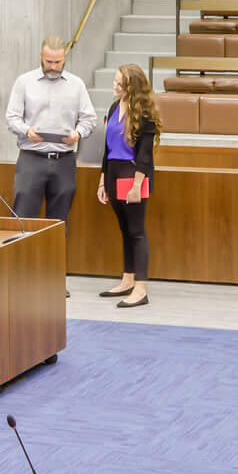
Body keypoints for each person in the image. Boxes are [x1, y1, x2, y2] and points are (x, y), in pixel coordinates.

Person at [4, 36, 92, 224]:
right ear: (41, 57)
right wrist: (27, 131)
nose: (53, 66)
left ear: (64, 59)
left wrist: (78, 133)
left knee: (59, 223)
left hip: (64, 161)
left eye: (58, 62)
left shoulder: (76, 84)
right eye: (49, 62)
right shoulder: (24, 82)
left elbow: (89, 118)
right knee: (23, 220)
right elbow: (12, 117)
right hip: (31, 158)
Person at [96, 65, 159, 308]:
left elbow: (145, 155)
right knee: (124, 230)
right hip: (113, 172)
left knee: (136, 231)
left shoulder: (144, 113)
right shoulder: (114, 107)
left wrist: (137, 185)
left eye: (119, 83)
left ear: (132, 87)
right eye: (114, 81)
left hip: (133, 175)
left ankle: (140, 289)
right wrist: (102, 180)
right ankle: (127, 279)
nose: (114, 86)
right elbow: (107, 148)